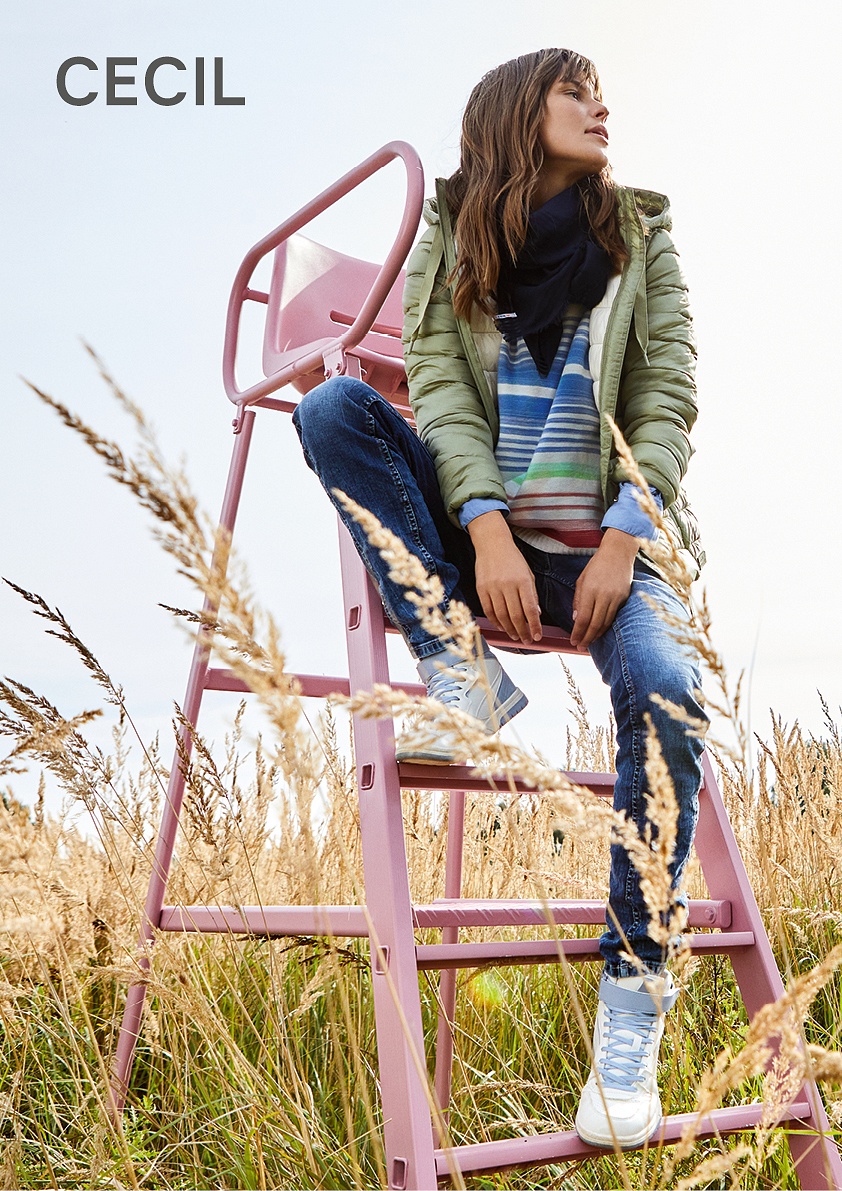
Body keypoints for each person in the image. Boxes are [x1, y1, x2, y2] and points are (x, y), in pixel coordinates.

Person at [293, 47, 707, 1149]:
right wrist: (482, 533)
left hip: (609, 551)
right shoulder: (453, 235)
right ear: (520, 114)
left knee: (669, 691)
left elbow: (666, 396)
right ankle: (458, 669)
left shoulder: (643, 234)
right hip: (485, 540)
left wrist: (621, 540)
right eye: (575, 91)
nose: (601, 105)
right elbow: (434, 387)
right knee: (331, 408)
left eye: (600, 91)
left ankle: (629, 1024)